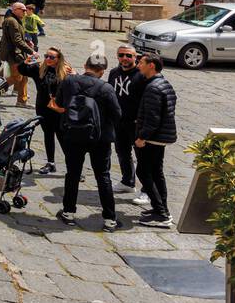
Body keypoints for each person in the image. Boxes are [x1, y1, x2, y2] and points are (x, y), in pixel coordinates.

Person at [51, 52, 123, 231]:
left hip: (73, 135)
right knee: (103, 176)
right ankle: (109, 219)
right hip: (100, 138)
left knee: (73, 174)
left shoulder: (69, 81)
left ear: (85, 65)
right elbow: (117, 115)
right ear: (102, 70)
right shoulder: (105, 88)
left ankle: (68, 212)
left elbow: (59, 104)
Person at [135, 54, 177, 228]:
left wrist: (142, 137)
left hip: (153, 138)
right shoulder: (164, 83)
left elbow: (152, 118)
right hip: (161, 136)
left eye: (141, 63)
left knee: (144, 172)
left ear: (151, 66)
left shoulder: (153, 87)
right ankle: (159, 207)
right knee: (156, 172)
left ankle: (161, 213)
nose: (138, 66)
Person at [20, 46, 71, 174]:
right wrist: (25, 61)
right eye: (46, 56)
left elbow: (77, 86)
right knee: (48, 135)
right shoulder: (39, 69)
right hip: (43, 108)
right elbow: (22, 70)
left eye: (51, 57)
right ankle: (50, 163)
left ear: (58, 59)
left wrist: (75, 75)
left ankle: (73, 167)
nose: (48, 59)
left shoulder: (65, 71)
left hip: (59, 110)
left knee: (62, 137)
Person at [107, 45, 149, 197]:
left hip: (136, 123)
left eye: (128, 55)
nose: (124, 58)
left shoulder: (141, 75)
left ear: (135, 57)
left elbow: (147, 99)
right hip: (119, 122)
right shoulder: (113, 73)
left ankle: (147, 189)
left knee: (143, 157)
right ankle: (127, 182)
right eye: (121, 55)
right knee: (122, 152)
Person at [0, 1, 32, 106]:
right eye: (23, 10)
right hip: (13, 54)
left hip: (16, 53)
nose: (25, 12)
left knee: (24, 76)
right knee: (16, 77)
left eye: (25, 10)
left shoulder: (16, 20)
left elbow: (18, 36)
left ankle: (22, 101)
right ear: (15, 10)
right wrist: (32, 51)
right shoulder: (12, 21)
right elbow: (16, 40)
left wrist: (27, 40)